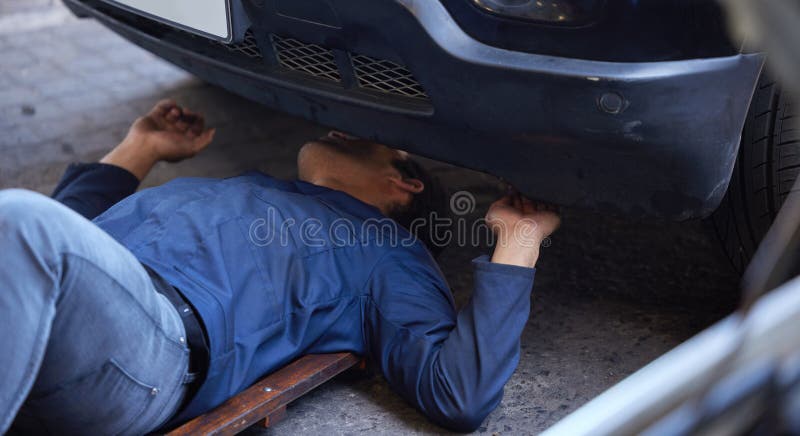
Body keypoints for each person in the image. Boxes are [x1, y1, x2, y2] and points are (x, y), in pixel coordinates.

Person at [0, 100, 560, 435]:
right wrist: (142, 147)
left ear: (404, 182)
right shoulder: (261, 190)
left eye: (371, 142)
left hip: (145, 356)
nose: (343, 128)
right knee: (22, 226)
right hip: (60, 325)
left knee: (20, 220)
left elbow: (460, 392)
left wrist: (519, 240)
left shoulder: (384, 251)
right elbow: (62, 244)